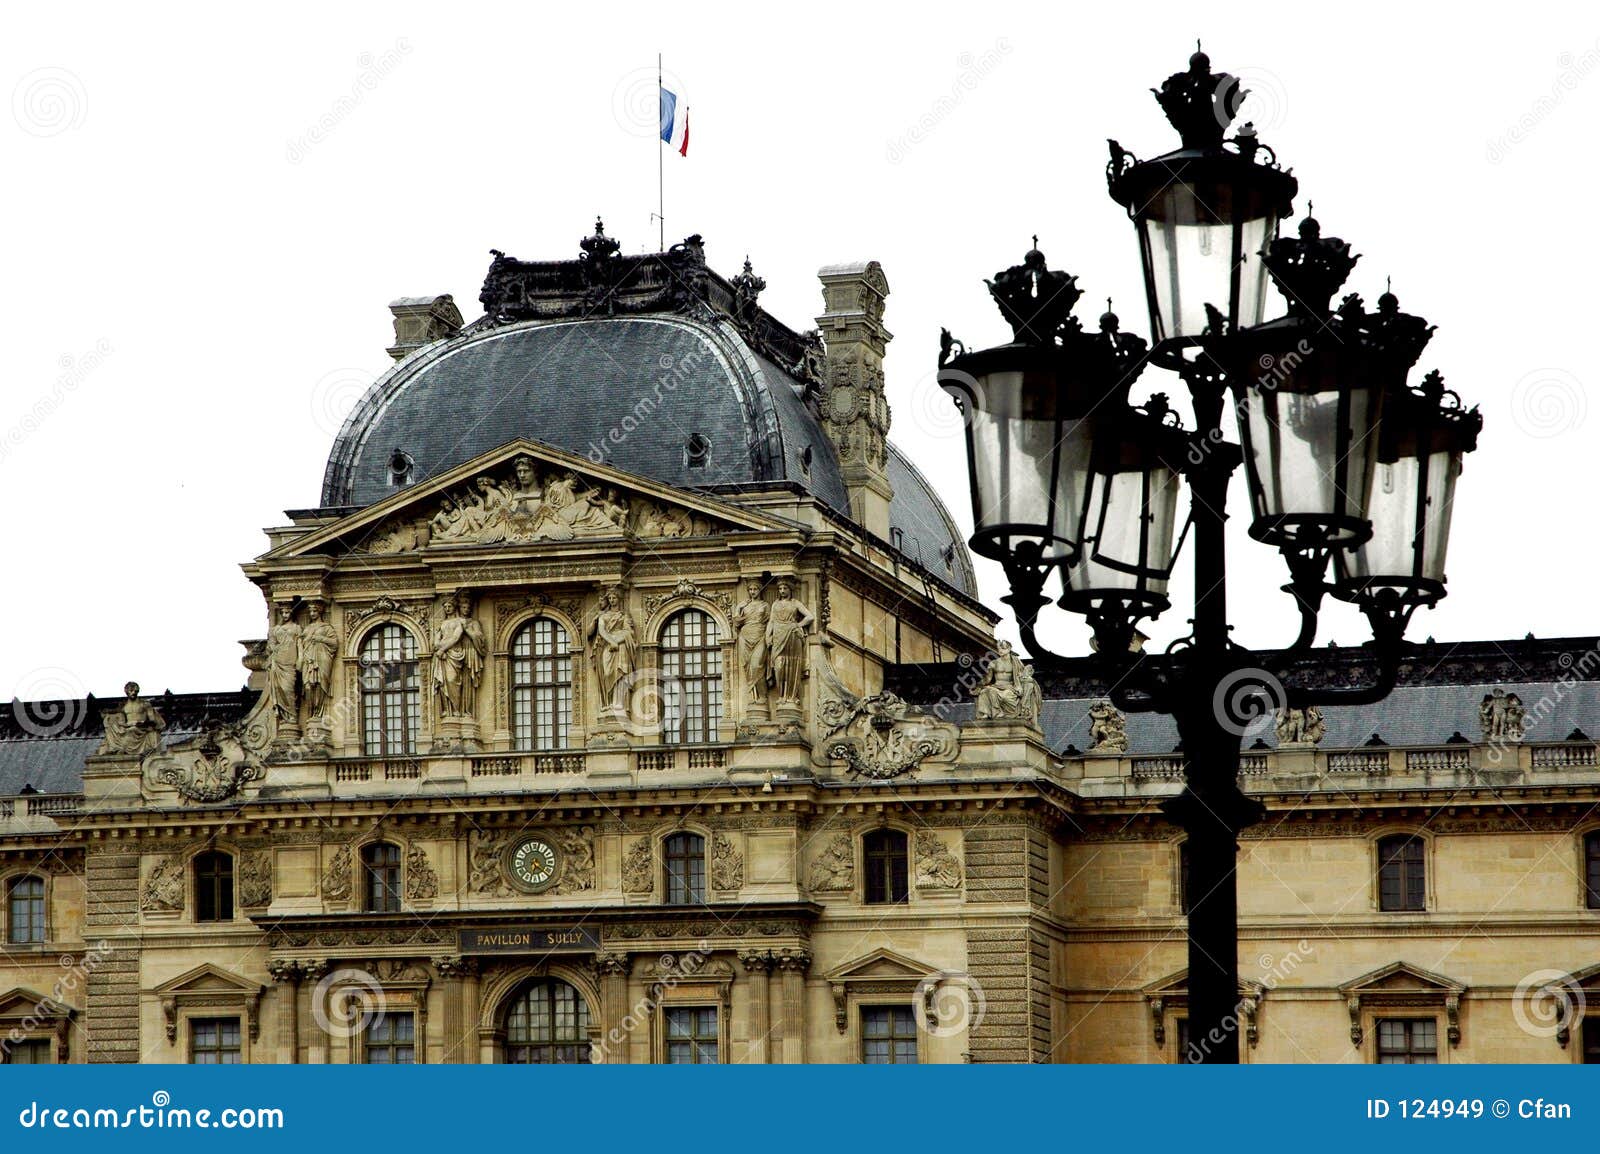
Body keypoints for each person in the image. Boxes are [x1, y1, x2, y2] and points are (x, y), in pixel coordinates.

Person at [432, 590, 486, 715]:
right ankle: (448, 710)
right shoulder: (443, 623)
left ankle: (457, 710)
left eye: (449, 606)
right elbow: (436, 639)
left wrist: (441, 648)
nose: (447, 608)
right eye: (445, 607)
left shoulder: (461, 622)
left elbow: (456, 638)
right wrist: (439, 647)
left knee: (453, 680)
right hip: (445, 656)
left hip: (456, 653)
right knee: (444, 682)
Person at [765, 578, 814, 707]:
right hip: (777, 636)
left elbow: (810, 616)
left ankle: (791, 697)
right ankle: (781, 695)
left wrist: (798, 625)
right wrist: (767, 637)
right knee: (779, 666)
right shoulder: (775, 604)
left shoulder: (795, 603)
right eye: (780, 589)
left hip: (792, 636)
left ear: (790, 589)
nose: (782, 591)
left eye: (784, 588)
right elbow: (771, 621)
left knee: (793, 667)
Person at [589, 588, 638, 713]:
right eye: (610, 598)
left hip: (621, 648)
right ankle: (608, 702)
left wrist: (619, 639)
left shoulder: (624, 615)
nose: (612, 600)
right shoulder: (603, 616)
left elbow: (629, 632)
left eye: (614, 598)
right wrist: (612, 641)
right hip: (608, 647)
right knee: (607, 674)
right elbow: (602, 631)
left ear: (619, 599)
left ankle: (619, 702)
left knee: (621, 673)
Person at [732, 579, 770, 705]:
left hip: (760, 635)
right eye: (750, 590)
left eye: (755, 589)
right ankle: (753, 697)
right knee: (747, 667)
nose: (752, 592)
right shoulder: (745, 606)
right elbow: (736, 622)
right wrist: (739, 607)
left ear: (759, 590)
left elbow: (769, 622)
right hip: (745, 636)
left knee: (756, 666)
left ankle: (763, 696)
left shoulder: (765, 605)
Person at [298, 601, 338, 722]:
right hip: (308, 659)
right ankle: (311, 714)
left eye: (314, 611)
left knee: (320, 684)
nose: (312, 613)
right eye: (310, 611)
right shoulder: (306, 629)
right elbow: (300, 644)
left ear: (319, 611)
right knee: (308, 686)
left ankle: (318, 712)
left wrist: (320, 638)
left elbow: (334, 643)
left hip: (322, 658)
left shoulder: (326, 627)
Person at [266, 603, 301, 725]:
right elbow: (270, 646)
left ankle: (292, 714)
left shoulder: (297, 628)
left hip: (290, 662)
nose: (285, 615)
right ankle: (285, 717)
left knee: (288, 688)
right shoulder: (275, 630)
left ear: (291, 613)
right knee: (279, 688)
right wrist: (274, 648)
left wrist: (300, 660)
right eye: (283, 613)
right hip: (278, 661)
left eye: (287, 612)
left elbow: (300, 645)